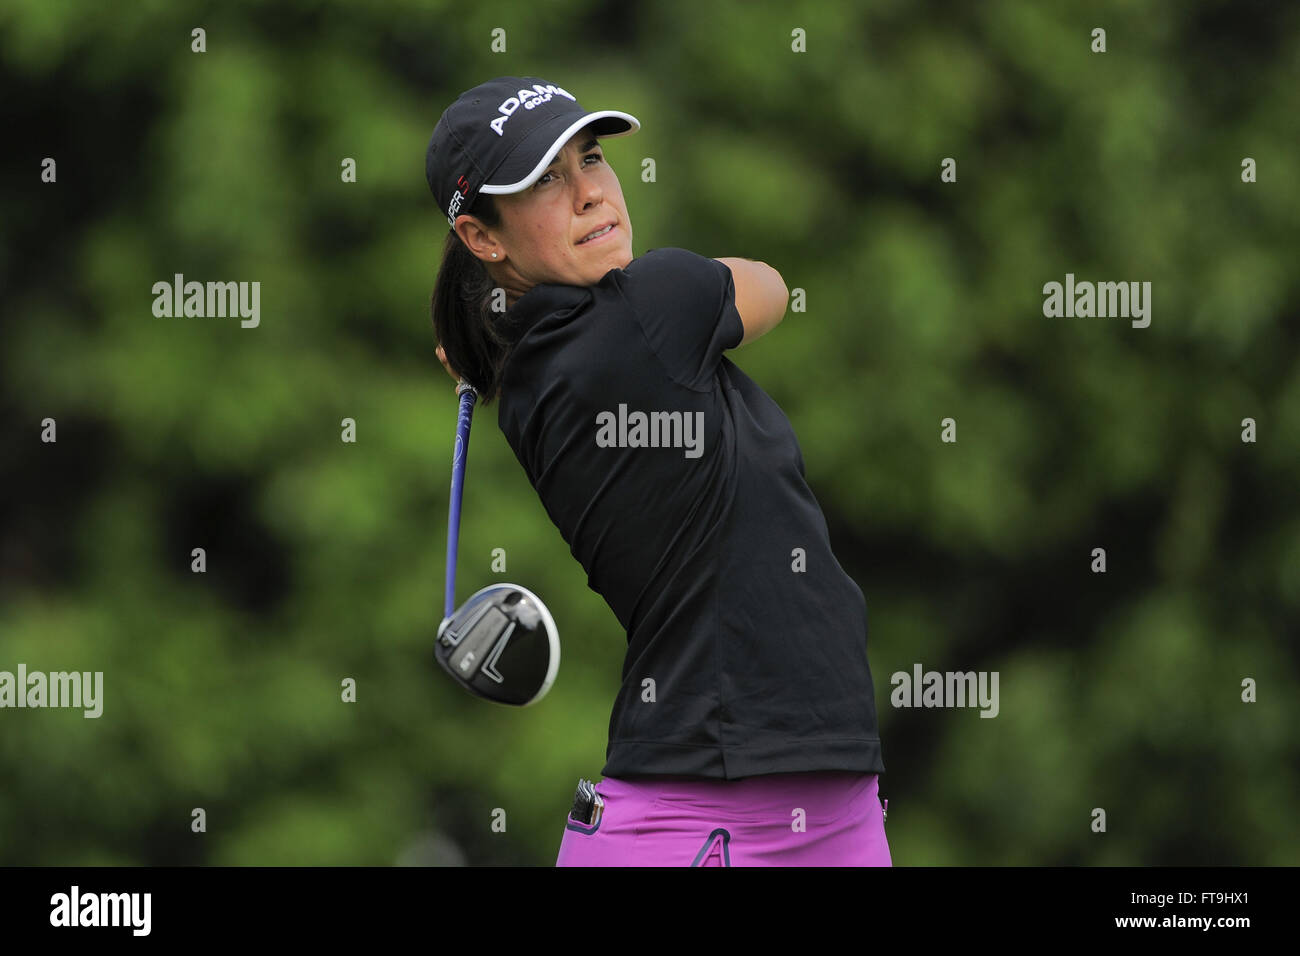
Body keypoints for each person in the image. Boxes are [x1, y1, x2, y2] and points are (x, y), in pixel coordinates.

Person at [425, 76, 890, 866]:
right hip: (700, 825)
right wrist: (690, 292)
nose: (589, 194)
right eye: (543, 179)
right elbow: (771, 287)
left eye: (592, 158)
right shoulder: (650, 308)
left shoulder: (535, 369)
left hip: (827, 807)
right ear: (482, 238)